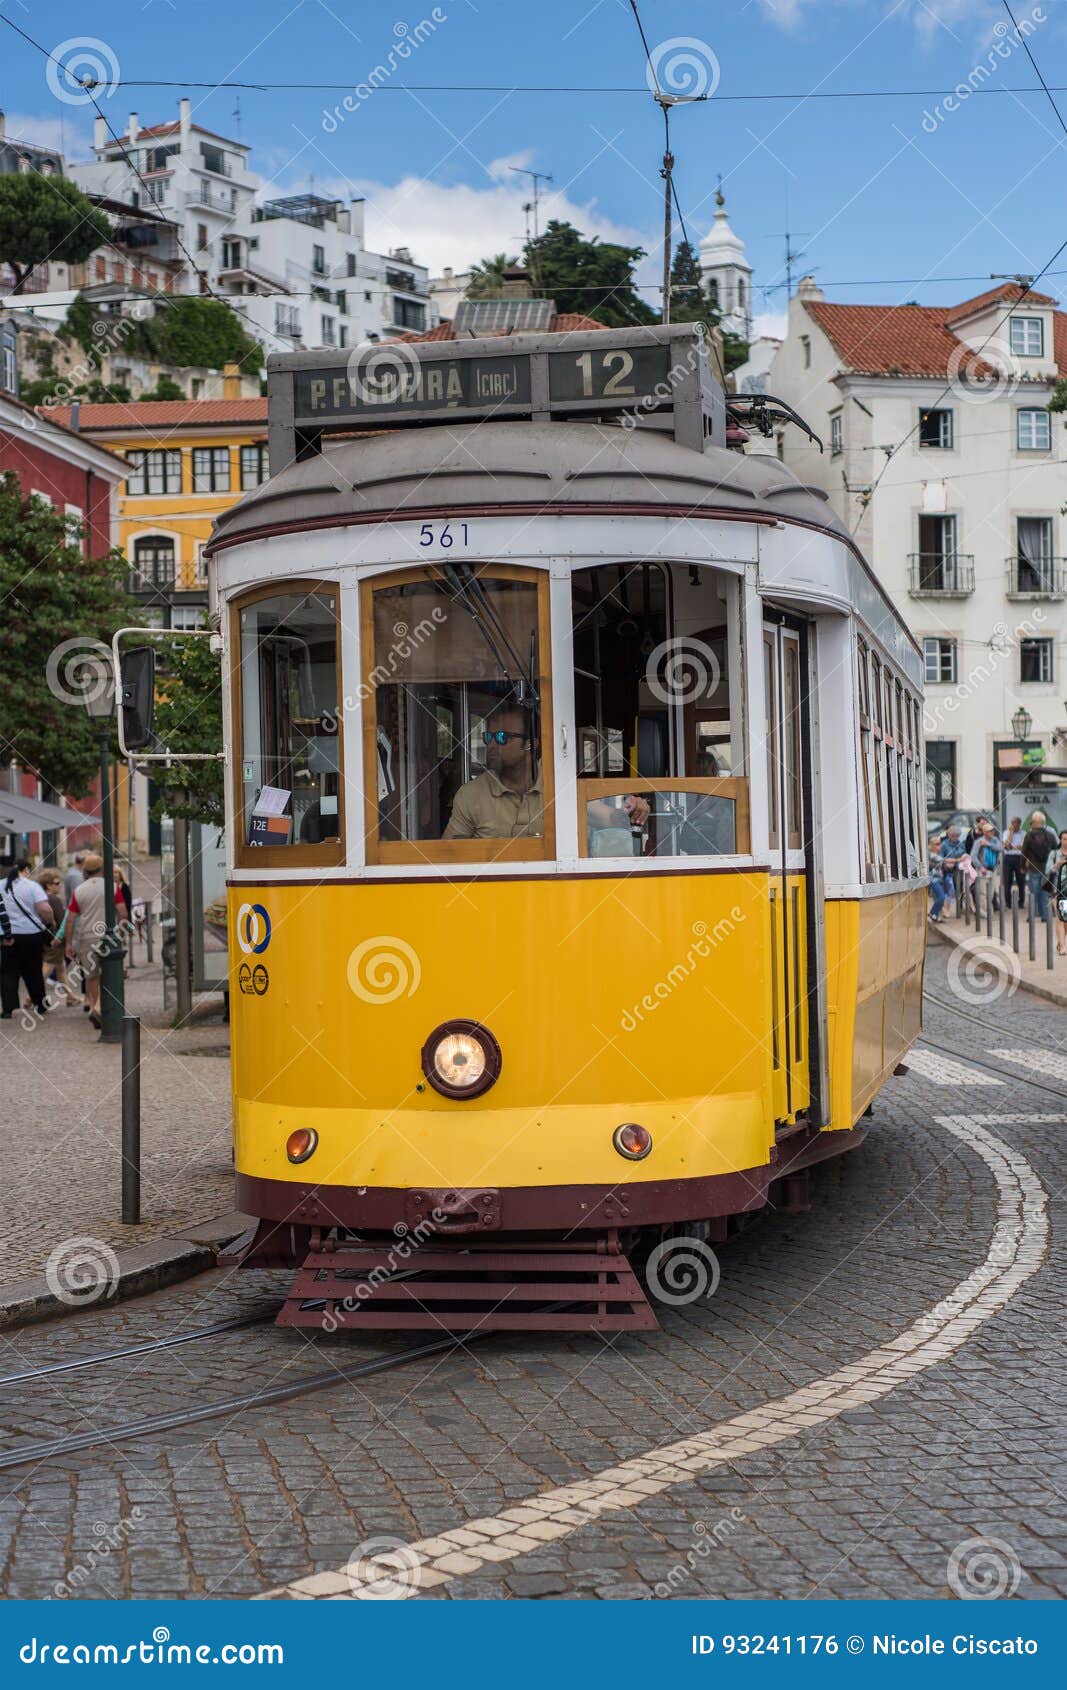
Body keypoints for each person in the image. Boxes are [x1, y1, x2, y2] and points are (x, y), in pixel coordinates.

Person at [444, 703, 651, 842]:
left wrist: (633, 810)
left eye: (502, 737)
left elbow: (610, 818)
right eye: (488, 736)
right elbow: (450, 857)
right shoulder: (470, 794)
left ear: (530, 744)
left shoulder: (563, 786)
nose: (491, 745)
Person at [0, 859, 54, 1019]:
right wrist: (50, 922)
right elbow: (45, 909)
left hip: (7, 936)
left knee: (8, 972)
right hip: (31, 934)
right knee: (33, 970)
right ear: (25, 870)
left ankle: (8, 1009)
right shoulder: (32, 886)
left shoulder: (0, 885)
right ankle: (40, 1005)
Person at [64, 853, 109, 1029]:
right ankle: (98, 1007)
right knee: (108, 972)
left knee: (91, 975)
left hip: (86, 937)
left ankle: (92, 1004)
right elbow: (122, 912)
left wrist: (69, 943)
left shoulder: (79, 891)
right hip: (107, 936)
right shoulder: (113, 887)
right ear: (102, 868)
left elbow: (71, 918)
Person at [36, 868, 69, 997]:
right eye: (57, 883)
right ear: (48, 885)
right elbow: (62, 921)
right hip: (55, 940)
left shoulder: (40, 898)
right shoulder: (54, 899)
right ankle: (30, 998)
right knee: (46, 970)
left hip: (45, 937)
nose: (60, 885)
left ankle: (70, 997)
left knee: (61, 970)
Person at [1022, 811, 1058, 923]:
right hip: (1047, 869)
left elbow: (1024, 852)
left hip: (1033, 868)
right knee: (1045, 892)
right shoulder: (1051, 835)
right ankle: (1044, 916)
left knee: (1033, 892)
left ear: (1035, 822)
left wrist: (1022, 866)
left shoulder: (1029, 835)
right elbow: (1055, 851)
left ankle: (1032, 916)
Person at [969, 820, 1003, 914]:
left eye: (992, 831)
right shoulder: (978, 842)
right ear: (984, 832)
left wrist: (988, 845)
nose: (992, 832)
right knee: (983, 892)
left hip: (993, 869)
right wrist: (980, 867)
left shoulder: (995, 840)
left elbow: (1001, 848)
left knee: (991, 892)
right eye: (989, 831)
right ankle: (984, 912)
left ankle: (988, 910)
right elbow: (973, 856)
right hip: (983, 869)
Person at [1048, 829, 1067, 957]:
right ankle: (1062, 945)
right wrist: (1057, 864)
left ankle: (1061, 942)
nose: (1066, 841)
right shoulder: (1054, 854)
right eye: (1064, 839)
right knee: (1061, 917)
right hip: (1058, 889)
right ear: (1060, 840)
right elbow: (1048, 870)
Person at [1002, 816, 1026, 911]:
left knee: (1021, 881)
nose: (1014, 825)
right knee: (1007, 881)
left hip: (1020, 858)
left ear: (1019, 824)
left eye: (1016, 823)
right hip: (1008, 858)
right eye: (1012, 823)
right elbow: (1007, 845)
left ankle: (1021, 903)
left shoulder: (1024, 833)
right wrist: (1011, 833)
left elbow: (1022, 847)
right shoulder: (1006, 833)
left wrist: (1013, 847)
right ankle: (1007, 903)